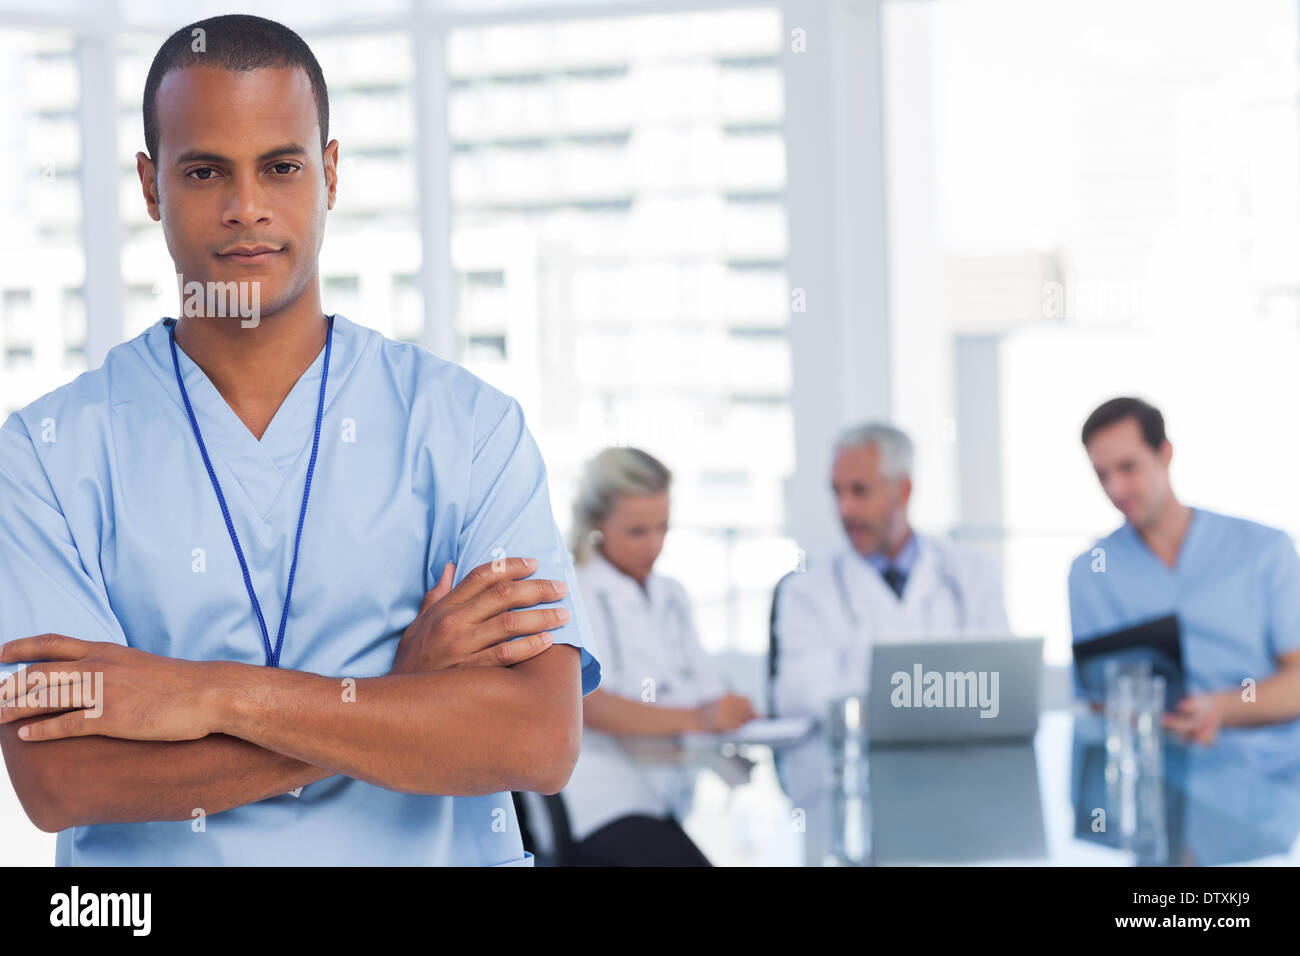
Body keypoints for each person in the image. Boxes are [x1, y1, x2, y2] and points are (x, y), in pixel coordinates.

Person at [0, 14, 600, 866]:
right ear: (149, 186)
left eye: (280, 167)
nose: (247, 208)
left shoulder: (469, 429)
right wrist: (399, 700)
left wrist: (200, 695)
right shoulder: (48, 454)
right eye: (205, 170)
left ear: (327, 174)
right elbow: (61, 783)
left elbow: (535, 741)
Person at [537, 447, 757, 866]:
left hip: (661, 800)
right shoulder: (569, 590)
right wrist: (698, 719)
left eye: (663, 528)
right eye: (637, 531)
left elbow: (702, 688)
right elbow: (585, 702)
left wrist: (733, 717)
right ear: (596, 524)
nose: (653, 545)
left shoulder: (671, 595)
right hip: (602, 801)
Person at [1067, 397, 1300, 756]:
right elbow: (1096, 698)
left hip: (1272, 771)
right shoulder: (1090, 572)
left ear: (1165, 453)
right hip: (1156, 769)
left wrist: (1218, 709)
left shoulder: (1265, 549)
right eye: (1103, 475)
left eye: (1128, 467)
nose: (1115, 489)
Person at [772, 422, 1011, 722]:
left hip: (959, 759)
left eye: (860, 491)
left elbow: (1002, 684)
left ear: (904, 490)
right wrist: (943, 693)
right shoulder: (806, 590)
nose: (845, 509)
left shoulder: (973, 573)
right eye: (838, 492)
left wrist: (870, 693)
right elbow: (799, 697)